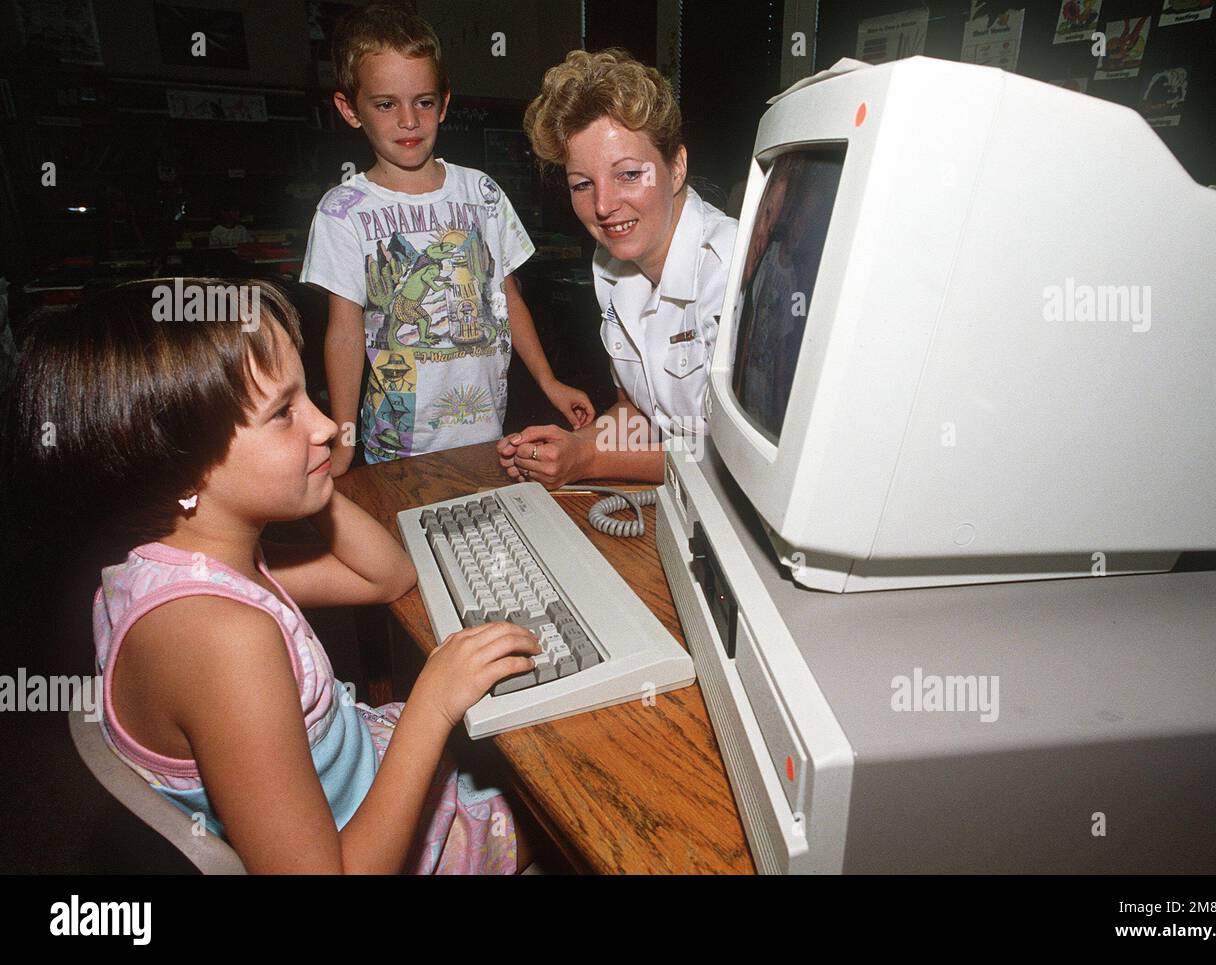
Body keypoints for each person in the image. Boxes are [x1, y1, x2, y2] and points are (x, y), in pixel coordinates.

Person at [6, 279, 543, 873]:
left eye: (306, 396)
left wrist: (311, 478)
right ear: (181, 468)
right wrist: (432, 703)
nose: (326, 426)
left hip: (365, 768)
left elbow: (387, 578)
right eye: (283, 413)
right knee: (564, 804)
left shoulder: (183, 568)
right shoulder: (220, 638)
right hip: (381, 841)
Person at [302, 3, 593, 474]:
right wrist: (344, 438)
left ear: (445, 102)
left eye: (423, 101)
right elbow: (343, 331)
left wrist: (548, 381)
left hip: (485, 432)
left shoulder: (482, 191)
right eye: (385, 104)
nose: (409, 121)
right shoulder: (342, 210)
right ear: (350, 110)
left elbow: (506, 296)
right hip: (395, 439)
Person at [497, 48, 737, 488]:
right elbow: (638, 412)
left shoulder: (733, 271)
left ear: (677, 165)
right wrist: (574, 446)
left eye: (628, 174)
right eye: (582, 185)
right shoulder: (610, 264)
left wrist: (588, 460)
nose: (604, 207)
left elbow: (732, 463)